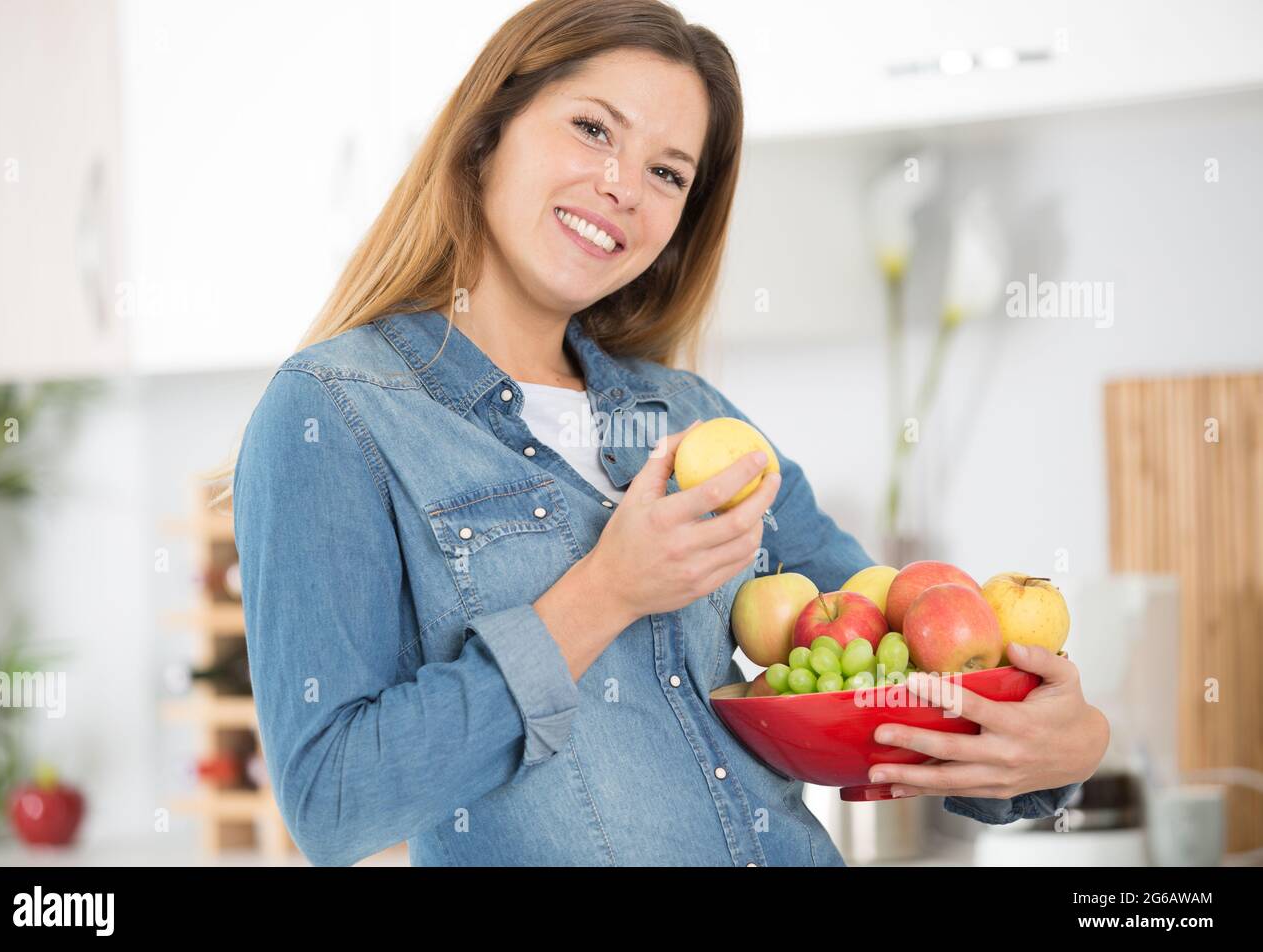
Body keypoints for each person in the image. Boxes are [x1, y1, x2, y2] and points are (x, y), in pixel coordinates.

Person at [224, 0, 1109, 866]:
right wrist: (605, 593)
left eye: (668, 173)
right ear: (488, 131)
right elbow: (332, 804)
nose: (621, 187)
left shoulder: (696, 419)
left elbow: (889, 661)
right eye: (594, 130)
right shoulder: (334, 414)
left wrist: (1060, 749)